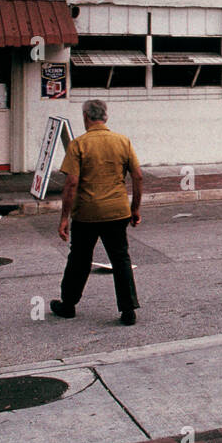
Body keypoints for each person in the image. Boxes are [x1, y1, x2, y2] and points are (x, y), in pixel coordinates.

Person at [51, 100, 143, 325]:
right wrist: (135, 208)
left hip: (87, 213)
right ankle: (128, 309)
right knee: (120, 258)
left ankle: (68, 304)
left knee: (80, 259)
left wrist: (64, 218)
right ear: (106, 117)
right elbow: (138, 176)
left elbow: (71, 184)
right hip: (117, 211)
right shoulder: (123, 141)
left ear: (85, 117)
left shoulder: (78, 145)